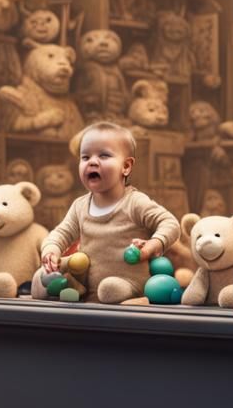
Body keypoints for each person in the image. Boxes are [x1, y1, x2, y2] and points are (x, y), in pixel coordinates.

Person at [40, 121, 180, 304]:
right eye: (85, 157)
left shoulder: (135, 203)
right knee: (45, 277)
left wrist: (153, 245)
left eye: (104, 155)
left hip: (127, 284)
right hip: (87, 294)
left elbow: (170, 223)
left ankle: (137, 300)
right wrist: (51, 250)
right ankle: (64, 287)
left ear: (126, 167)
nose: (92, 162)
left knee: (110, 289)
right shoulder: (80, 206)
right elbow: (61, 233)